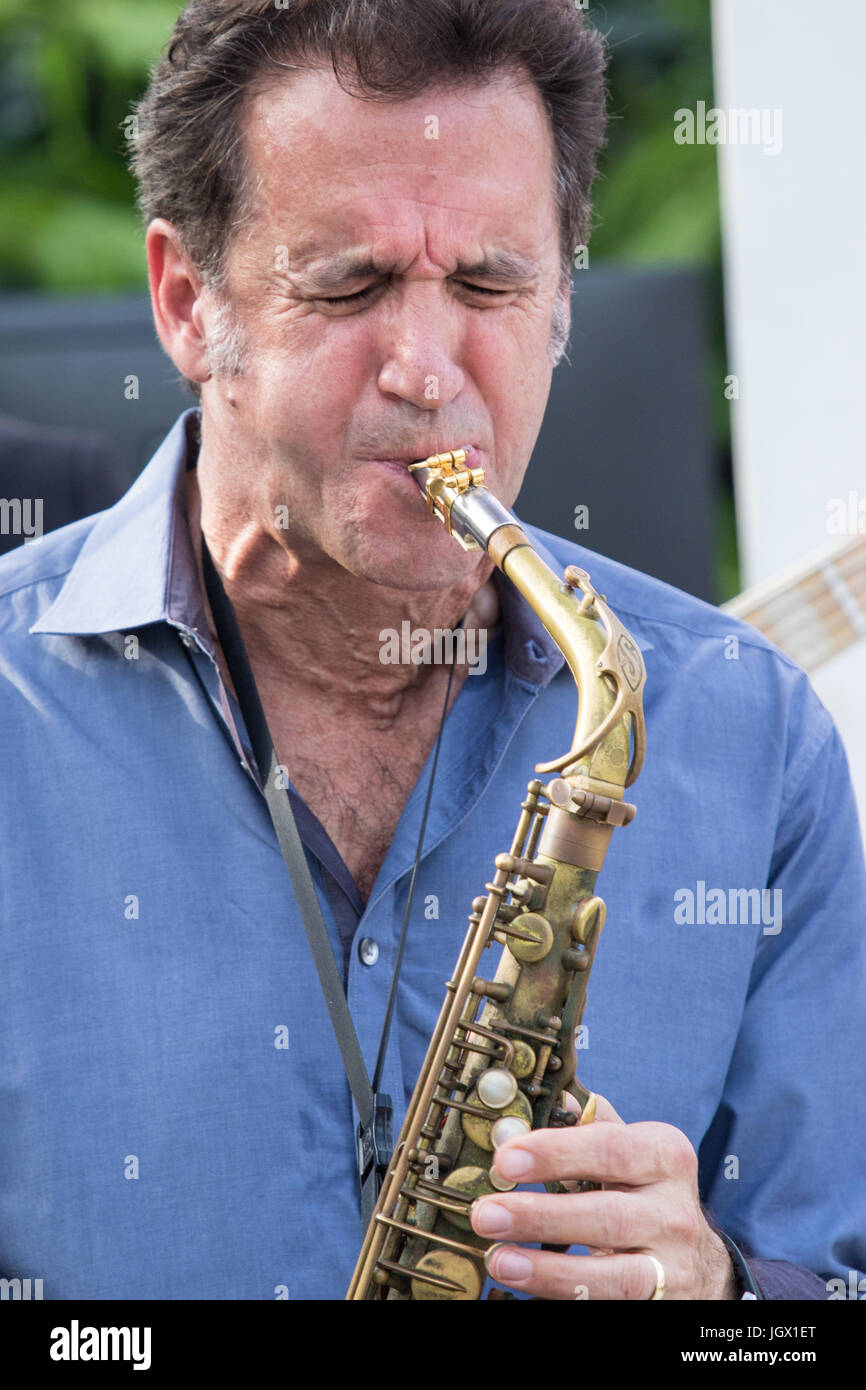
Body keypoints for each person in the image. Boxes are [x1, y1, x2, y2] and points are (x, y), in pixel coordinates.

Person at [1, 0, 863, 1302]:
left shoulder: (748, 731)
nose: (424, 369)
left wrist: (727, 1297)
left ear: (563, 295)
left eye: (489, 283)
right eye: (348, 284)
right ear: (187, 301)